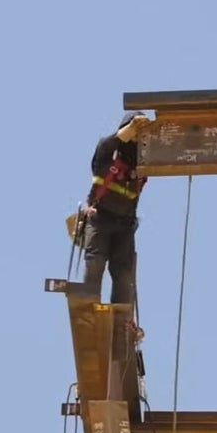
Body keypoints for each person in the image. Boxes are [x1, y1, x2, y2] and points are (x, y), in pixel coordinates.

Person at [75, 111, 152, 305]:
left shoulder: (143, 163)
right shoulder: (107, 156)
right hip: (100, 218)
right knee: (95, 263)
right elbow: (108, 143)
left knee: (124, 275)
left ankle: (121, 314)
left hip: (125, 225)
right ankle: (89, 305)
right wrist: (132, 127)